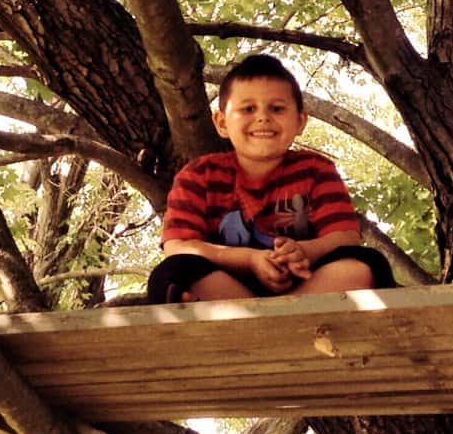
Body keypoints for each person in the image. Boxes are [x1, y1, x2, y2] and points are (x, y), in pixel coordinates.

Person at [146, 54, 396, 303]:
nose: (263, 117)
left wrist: (304, 252)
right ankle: (265, 322)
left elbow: (346, 237)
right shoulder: (199, 175)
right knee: (171, 273)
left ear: (300, 121)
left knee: (368, 263)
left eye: (276, 108)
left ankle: (280, 321)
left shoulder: (316, 170)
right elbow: (176, 246)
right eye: (248, 109)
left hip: (309, 286)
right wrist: (250, 260)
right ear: (221, 123)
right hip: (228, 288)